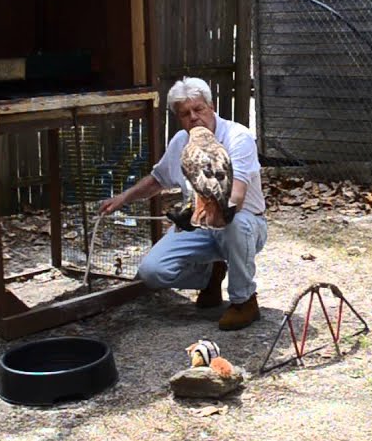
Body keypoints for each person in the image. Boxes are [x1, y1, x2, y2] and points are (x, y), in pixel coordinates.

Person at [98, 77, 268, 330]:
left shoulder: (237, 137)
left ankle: (244, 301)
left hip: (244, 222)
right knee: (152, 272)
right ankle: (210, 275)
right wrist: (124, 197)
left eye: (198, 109)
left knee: (237, 224)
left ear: (212, 106)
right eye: (185, 113)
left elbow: (237, 197)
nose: (193, 117)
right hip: (200, 226)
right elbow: (158, 179)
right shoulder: (181, 142)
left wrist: (198, 213)